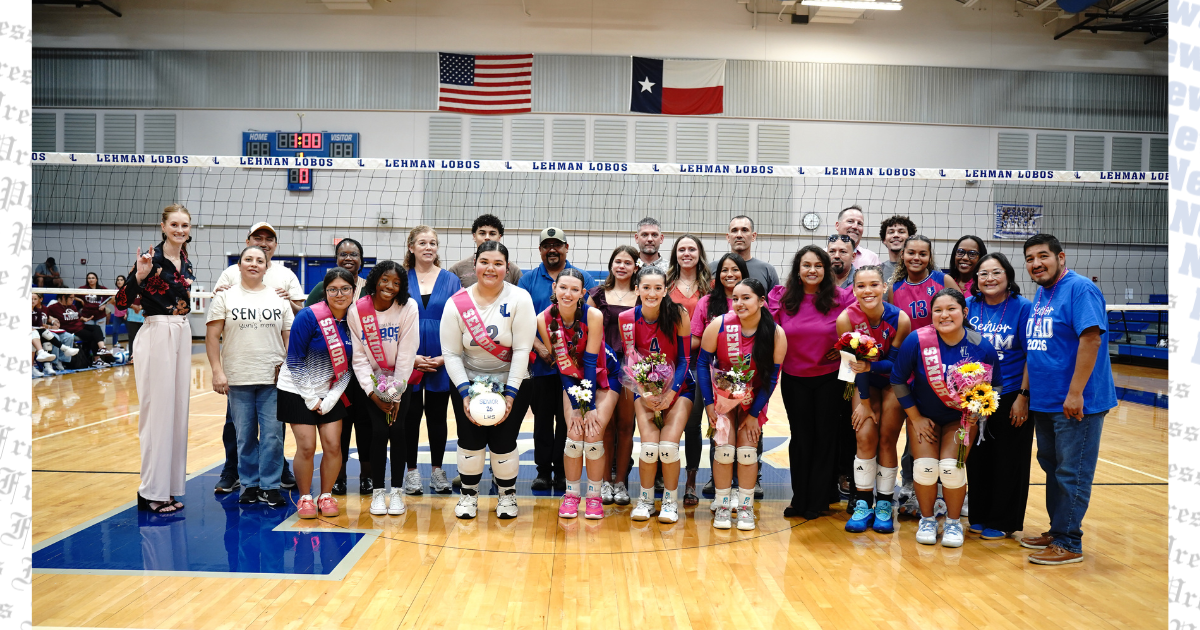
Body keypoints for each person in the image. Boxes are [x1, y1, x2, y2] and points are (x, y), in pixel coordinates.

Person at [1018, 234, 1117, 565]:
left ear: (1061, 257)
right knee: (1053, 468)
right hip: (1045, 402)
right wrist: (1026, 394)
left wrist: (1076, 393)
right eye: (1030, 258)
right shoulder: (1043, 294)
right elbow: (1036, 348)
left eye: (1042, 256)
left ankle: (1069, 542)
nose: (1036, 263)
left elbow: (1091, 340)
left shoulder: (1080, 289)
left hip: (1077, 402)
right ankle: (1056, 530)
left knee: (1072, 472)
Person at [891, 288, 1000, 548]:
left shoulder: (980, 345)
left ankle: (952, 523)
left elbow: (996, 386)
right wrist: (915, 418)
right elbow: (897, 379)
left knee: (951, 469)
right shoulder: (917, 340)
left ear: (964, 312)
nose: (944, 315)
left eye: (951, 309)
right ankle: (927, 519)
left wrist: (978, 411)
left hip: (958, 420)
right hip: (924, 416)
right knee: (925, 468)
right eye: (937, 310)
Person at [441, 241, 537, 520]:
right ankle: (468, 496)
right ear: (475, 265)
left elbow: (522, 351)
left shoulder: (520, 298)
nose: (490, 268)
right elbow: (450, 353)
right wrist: (465, 394)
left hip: (512, 379)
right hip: (469, 379)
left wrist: (510, 395)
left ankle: (507, 496)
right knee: (469, 439)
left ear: (507, 268)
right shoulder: (457, 302)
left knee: (504, 441)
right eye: (484, 262)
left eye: (497, 263)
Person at [212, 222, 306, 495]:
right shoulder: (231, 273)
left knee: (273, 427)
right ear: (247, 240)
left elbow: (301, 314)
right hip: (240, 364)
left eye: (269, 239)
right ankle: (235, 470)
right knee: (238, 427)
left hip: (272, 365)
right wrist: (218, 369)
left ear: (275, 245)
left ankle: (275, 473)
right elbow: (218, 314)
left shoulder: (286, 274)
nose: (263, 243)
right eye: (258, 238)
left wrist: (290, 301)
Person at [114, 204, 196, 514]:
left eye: (184, 225)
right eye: (174, 224)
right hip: (157, 330)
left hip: (182, 330)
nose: (179, 229)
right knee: (157, 415)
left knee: (177, 414)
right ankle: (150, 491)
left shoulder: (185, 260)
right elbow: (121, 303)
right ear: (163, 227)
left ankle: (169, 488)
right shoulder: (152, 259)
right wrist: (139, 275)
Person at [769, 246, 855, 520]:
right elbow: (769, 332)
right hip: (795, 378)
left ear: (826, 269)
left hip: (830, 378)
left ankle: (819, 500)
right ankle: (800, 497)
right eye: (806, 265)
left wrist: (842, 349)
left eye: (818, 265)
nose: (812, 270)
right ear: (797, 269)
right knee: (801, 438)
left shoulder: (841, 298)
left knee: (826, 439)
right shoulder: (782, 299)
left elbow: (856, 331)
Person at [698, 278, 786, 530]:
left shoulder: (776, 333)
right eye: (735, 298)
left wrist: (754, 414)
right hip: (723, 398)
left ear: (761, 301)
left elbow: (771, 378)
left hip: (753, 399)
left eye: (746, 298)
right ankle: (723, 503)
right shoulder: (720, 324)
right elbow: (703, 364)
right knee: (724, 449)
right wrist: (708, 405)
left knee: (747, 452)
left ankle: (745, 506)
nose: (738, 303)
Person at [518, 227, 597, 492]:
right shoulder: (528, 280)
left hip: (573, 369)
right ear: (540, 250)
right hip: (542, 366)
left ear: (566, 247)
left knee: (569, 420)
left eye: (557, 245)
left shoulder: (582, 277)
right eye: (546, 245)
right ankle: (542, 471)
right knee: (542, 421)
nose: (552, 249)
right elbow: (522, 321)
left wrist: (574, 354)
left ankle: (563, 472)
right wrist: (541, 348)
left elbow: (591, 317)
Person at [538, 268, 621, 520]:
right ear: (554, 288)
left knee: (593, 432)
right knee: (574, 435)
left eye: (575, 289)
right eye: (563, 287)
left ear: (582, 293)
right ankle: (572, 496)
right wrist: (577, 405)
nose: (568, 293)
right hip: (572, 377)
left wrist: (587, 407)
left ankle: (594, 497)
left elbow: (590, 359)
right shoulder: (543, 319)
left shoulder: (592, 315)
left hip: (604, 374)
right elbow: (562, 365)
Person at [836, 265, 911, 534]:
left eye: (874, 284)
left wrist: (869, 368)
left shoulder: (900, 319)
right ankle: (864, 503)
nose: (868, 291)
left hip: (892, 381)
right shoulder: (845, 320)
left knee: (887, 438)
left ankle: (884, 504)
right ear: (853, 289)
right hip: (863, 383)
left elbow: (894, 364)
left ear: (883, 287)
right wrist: (865, 402)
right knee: (865, 436)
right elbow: (852, 367)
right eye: (861, 286)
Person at [279, 267, 358, 519]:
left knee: (334, 445)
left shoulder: (353, 321)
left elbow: (349, 365)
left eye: (345, 289)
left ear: (353, 291)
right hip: (296, 389)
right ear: (325, 292)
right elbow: (294, 360)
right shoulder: (308, 316)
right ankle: (304, 498)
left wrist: (333, 396)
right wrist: (311, 398)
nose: (339, 294)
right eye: (333, 289)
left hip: (331, 389)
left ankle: (325, 495)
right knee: (307, 446)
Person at [965, 253, 1034, 540]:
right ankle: (979, 514)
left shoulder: (1023, 308)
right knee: (977, 458)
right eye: (983, 274)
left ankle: (1003, 520)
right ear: (976, 280)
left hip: (1009, 394)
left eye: (996, 273)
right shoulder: (967, 306)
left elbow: (1033, 354)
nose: (989, 279)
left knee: (1008, 459)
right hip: (974, 396)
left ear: (1008, 276)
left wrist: (1023, 395)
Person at [348, 260, 420, 517]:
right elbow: (358, 357)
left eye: (396, 282)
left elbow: (408, 352)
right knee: (377, 432)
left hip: (401, 380)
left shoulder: (408, 307)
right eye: (385, 280)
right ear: (375, 280)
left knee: (398, 430)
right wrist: (372, 392)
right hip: (371, 381)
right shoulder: (357, 310)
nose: (390, 286)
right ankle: (379, 492)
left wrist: (396, 393)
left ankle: (398, 492)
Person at [622, 266, 692, 523]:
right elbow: (630, 360)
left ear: (665, 290)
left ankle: (670, 503)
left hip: (679, 389)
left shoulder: (679, 314)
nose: (651, 293)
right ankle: (646, 500)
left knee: (668, 448)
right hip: (645, 391)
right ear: (637, 288)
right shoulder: (627, 319)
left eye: (657, 288)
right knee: (649, 447)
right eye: (646, 287)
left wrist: (670, 394)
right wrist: (643, 392)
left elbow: (685, 359)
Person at [305, 238, 372, 496]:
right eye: (343, 254)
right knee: (338, 426)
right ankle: (338, 477)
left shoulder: (370, 289)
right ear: (336, 259)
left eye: (353, 254)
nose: (348, 258)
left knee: (366, 425)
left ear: (361, 260)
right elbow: (307, 320)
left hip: (364, 370)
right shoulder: (321, 289)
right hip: (332, 371)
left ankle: (367, 476)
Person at [400, 226, 463, 495]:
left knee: (438, 417)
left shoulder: (451, 280)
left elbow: (459, 321)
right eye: (423, 242)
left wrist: (444, 358)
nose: (429, 247)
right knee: (410, 417)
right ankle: (412, 473)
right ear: (411, 247)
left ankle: (438, 471)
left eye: (433, 243)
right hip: (408, 358)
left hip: (441, 358)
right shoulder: (400, 278)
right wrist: (409, 358)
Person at [692, 252, 754, 498]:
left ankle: (749, 480)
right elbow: (696, 338)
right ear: (717, 276)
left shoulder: (752, 302)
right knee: (720, 428)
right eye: (725, 270)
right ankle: (717, 480)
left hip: (748, 376)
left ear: (743, 274)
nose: (730, 274)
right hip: (716, 377)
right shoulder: (706, 303)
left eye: (735, 270)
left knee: (748, 427)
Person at [588, 245, 640, 506]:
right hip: (603, 367)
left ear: (635, 267)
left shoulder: (643, 295)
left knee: (625, 425)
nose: (622, 266)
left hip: (632, 368)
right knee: (605, 426)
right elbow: (585, 330)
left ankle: (621, 482)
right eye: (617, 261)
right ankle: (605, 482)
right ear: (611, 265)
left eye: (627, 262)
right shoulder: (596, 294)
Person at [667, 235, 711, 506]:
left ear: (699, 253)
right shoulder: (666, 283)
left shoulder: (710, 286)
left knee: (693, 424)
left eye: (691, 249)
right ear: (675, 254)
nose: (686, 253)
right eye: (681, 249)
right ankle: (662, 476)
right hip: (668, 363)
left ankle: (691, 481)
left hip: (698, 362)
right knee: (666, 421)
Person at [888, 235, 959, 331]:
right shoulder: (894, 289)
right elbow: (893, 325)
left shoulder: (944, 280)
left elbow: (962, 312)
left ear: (930, 257)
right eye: (911, 253)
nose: (916, 258)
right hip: (910, 344)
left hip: (942, 343)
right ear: (902, 254)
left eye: (922, 254)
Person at [449, 213, 524, 287]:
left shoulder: (514, 271)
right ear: (474, 236)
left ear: (499, 237)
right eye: (482, 233)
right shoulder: (458, 269)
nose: (487, 237)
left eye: (492, 234)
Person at [709, 215, 779, 290]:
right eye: (734, 230)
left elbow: (776, 300)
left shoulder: (767, 270)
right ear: (728, 237)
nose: (739, 235)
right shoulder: (711, 268)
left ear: (753, 236)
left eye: (744, 230)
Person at [32, 293, 79, 374]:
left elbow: (40, 325)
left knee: (47, 340)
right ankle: (64, 349)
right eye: (31, 299)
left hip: (37, 333)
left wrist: (53, 322)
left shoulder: (39, 311)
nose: (33, 301)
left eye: (35, 299)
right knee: (49, 335)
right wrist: (49, 327)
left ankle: (47, 366)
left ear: (40, 299)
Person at [77, 272, 113, 367]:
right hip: (88, 317)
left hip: (100, 316)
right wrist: (80, 300)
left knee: (101, 338)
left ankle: (99, 359)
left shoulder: (102, 289)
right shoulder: (83, 289)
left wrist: (105, 304)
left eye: (93, 278)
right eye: (89, 278)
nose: (91, 280)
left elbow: (113, 296)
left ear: (96, 279)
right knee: (92, 337)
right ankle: (90, 358)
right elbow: (72, 294)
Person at [878, 215, 917, 285]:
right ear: (884, 240)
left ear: (910, 238)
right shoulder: (878, 271)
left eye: (901, 232)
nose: (896, 235)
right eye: (891, 232)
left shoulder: (925, 268)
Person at [111, 275, 127, 345]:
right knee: (114, 331)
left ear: (124, 281)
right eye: (118, 280)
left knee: (131, 332)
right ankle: (115, 349)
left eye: (121, 280)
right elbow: (112, 302)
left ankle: (131, 349)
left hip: (126, 314)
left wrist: (127, 313)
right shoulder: (115, 291)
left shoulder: (127, 291)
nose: (119, 281)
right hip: (117, 315)